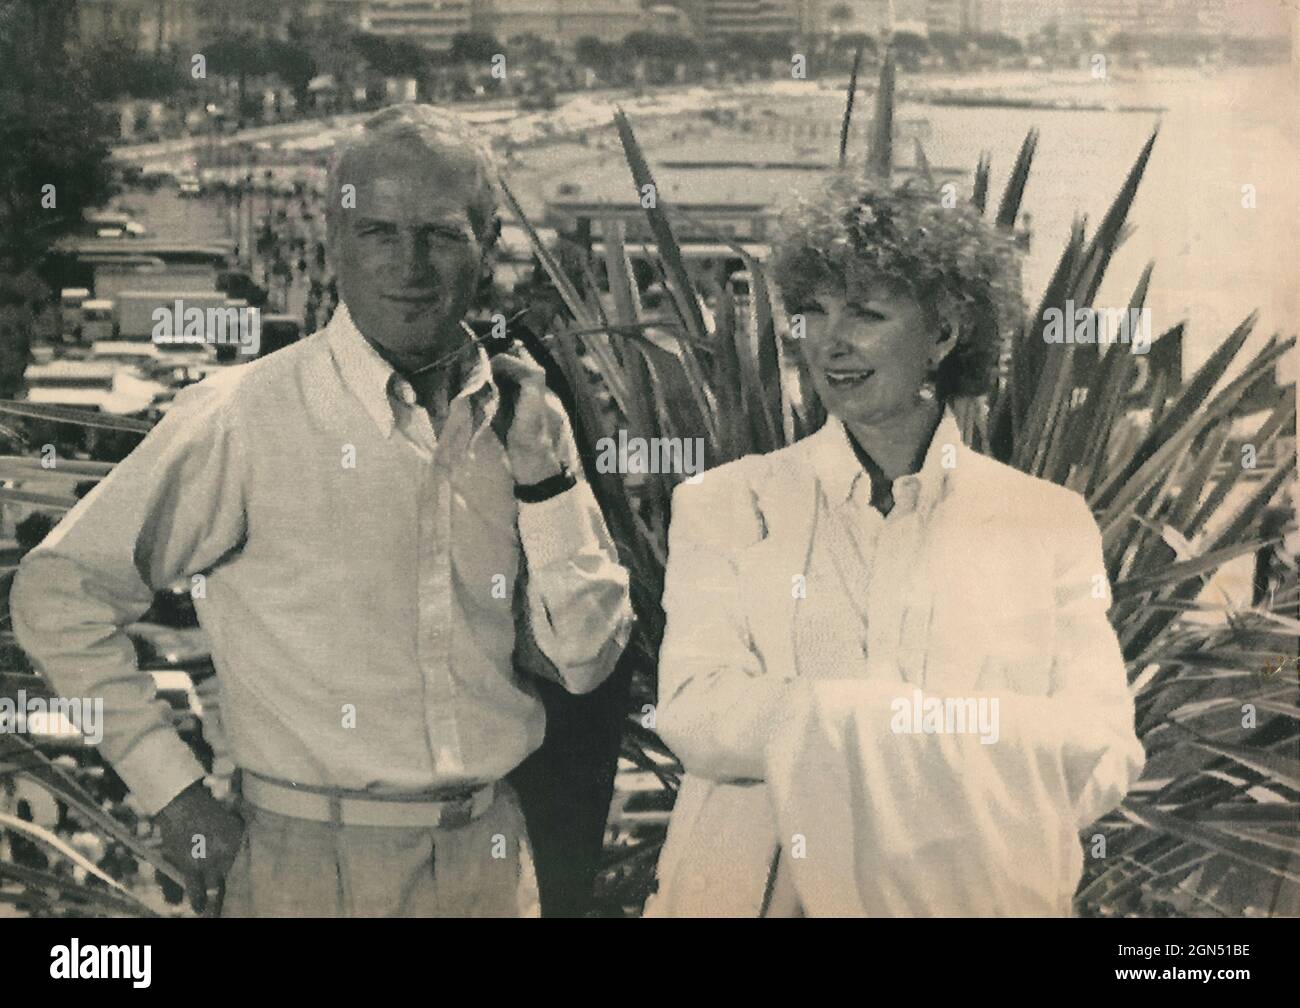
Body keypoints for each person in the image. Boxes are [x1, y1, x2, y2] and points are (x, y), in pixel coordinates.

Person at [11, 104, 634, 918]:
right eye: (378, 232)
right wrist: (174, 794)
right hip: (306, 869)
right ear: (336, 243)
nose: (408, 265)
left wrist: (545, 481)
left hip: (492, 858)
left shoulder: (525, 418)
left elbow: (586, 661)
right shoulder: (247, 414)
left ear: (488, 247)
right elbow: (58, 592)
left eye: (441, 234)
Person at [647, 175, 1145, 917]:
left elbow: (1103, 750)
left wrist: (845, 732)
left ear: (944, 335)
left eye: (867, 313)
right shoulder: (726, 504)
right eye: (812, 311)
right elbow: (693, 715)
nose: (830, 342)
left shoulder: (1047, 522)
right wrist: (928, 729)